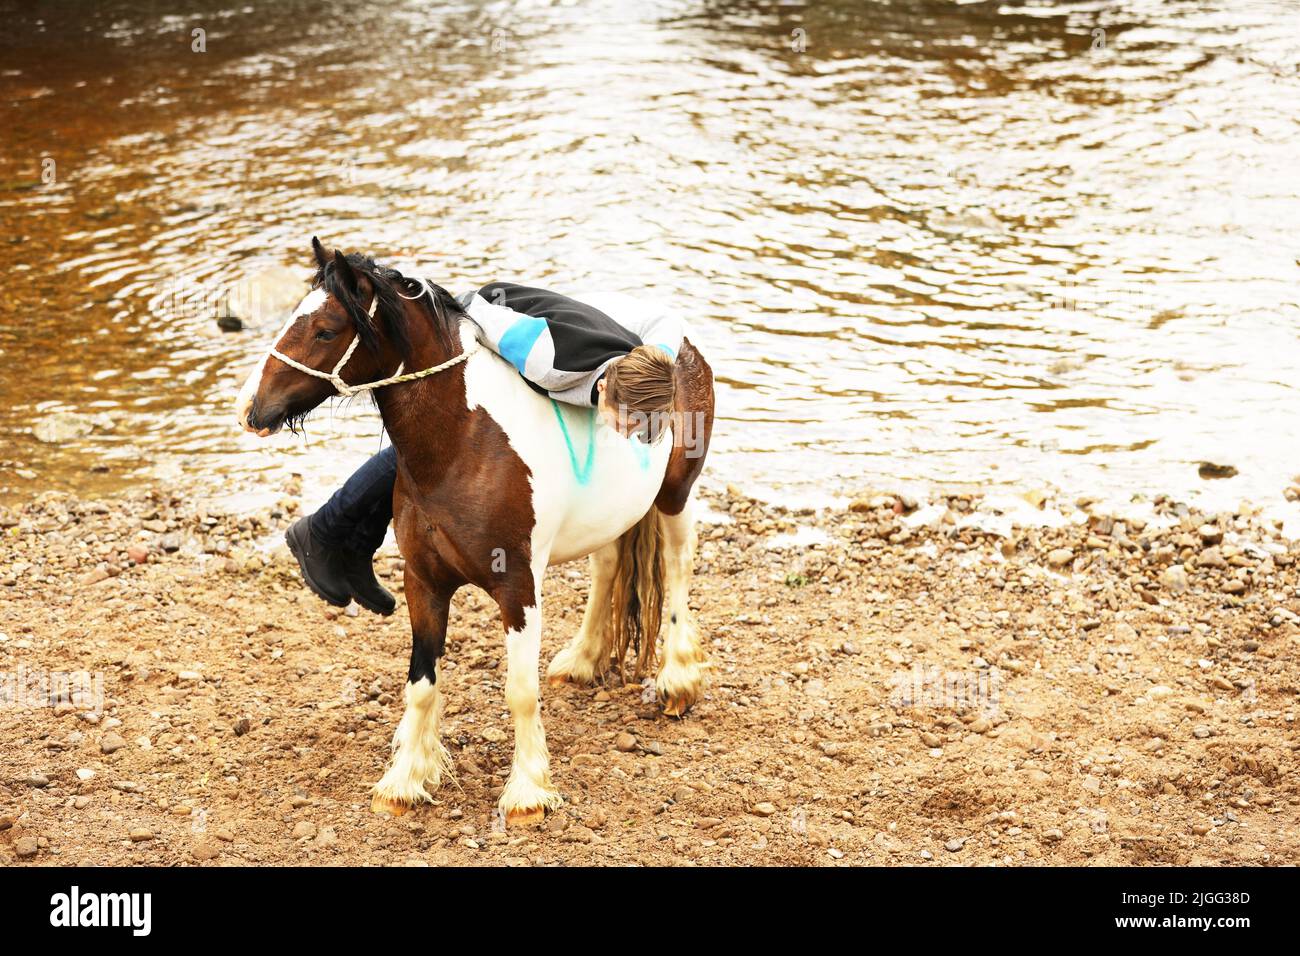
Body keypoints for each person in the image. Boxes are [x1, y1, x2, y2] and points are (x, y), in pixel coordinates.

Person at [285, 281, 683, 614]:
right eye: (627, 422)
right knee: (449, 439)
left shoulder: (640, 376)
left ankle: (354, 545)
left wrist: (661, 356)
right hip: (491, 315)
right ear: (602, 389)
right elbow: (474, 314)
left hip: (570, 335)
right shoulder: (549, 361)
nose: (629, 433)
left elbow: (669, 322)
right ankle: (323, 530)